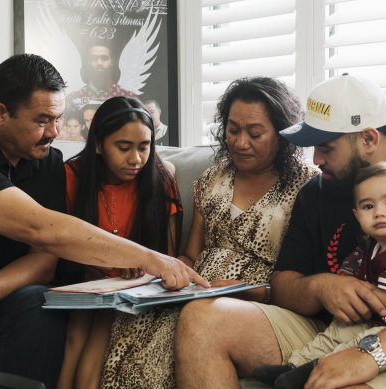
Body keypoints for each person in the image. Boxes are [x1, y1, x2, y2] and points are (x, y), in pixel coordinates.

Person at [0, 53, 206, 389]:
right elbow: (41, 228)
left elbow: (44, 258)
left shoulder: (45, 163)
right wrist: (151, 258)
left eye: (59, 118)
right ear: (0, 113)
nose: (55, 131)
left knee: (40, 301)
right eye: (42, 120)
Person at [175, 73, 386, 389]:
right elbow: (284, 284)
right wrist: (321, 287)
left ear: (368, 139)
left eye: (325, 147)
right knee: (202, 318)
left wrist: (369, 355)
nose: (315, 160)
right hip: (327, 334)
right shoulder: (317, 191)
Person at [94, 76, 319, 388]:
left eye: (255, 133)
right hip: (200, 290)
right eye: (233, 129)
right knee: (133, 319)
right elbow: (190, 253)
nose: (240, 142)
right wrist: (171, 277)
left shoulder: (307, 186)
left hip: (260, 302)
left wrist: (248, 289)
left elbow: (306, 280)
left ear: (282, 135)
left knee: (192, 325)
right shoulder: (212, 178)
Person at [254, 162, 386, 388]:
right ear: (356, 215)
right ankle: (295, 365)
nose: (379, 212)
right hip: (381, 320)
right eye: (367, 206)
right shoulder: (374, 246)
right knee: (337, 330)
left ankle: (314, 370)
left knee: (359, 342)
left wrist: (352, 298)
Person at [55, 96, 182, 389]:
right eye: (124, 148)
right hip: (82, 282)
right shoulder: (71, 177)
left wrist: (143, 272)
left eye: (144, 147)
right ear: (98, 144)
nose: (136, 158)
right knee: (79, 327)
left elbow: (170, 256)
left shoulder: (160, 178)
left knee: (99, 324)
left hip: (134, 291)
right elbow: (57, 246)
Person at [66, 41, 136, 115]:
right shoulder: (74, 98)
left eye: (104, 58)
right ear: (88, 62)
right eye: (94, 58)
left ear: (112, 62)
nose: (99, 63)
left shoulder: (128, 97)